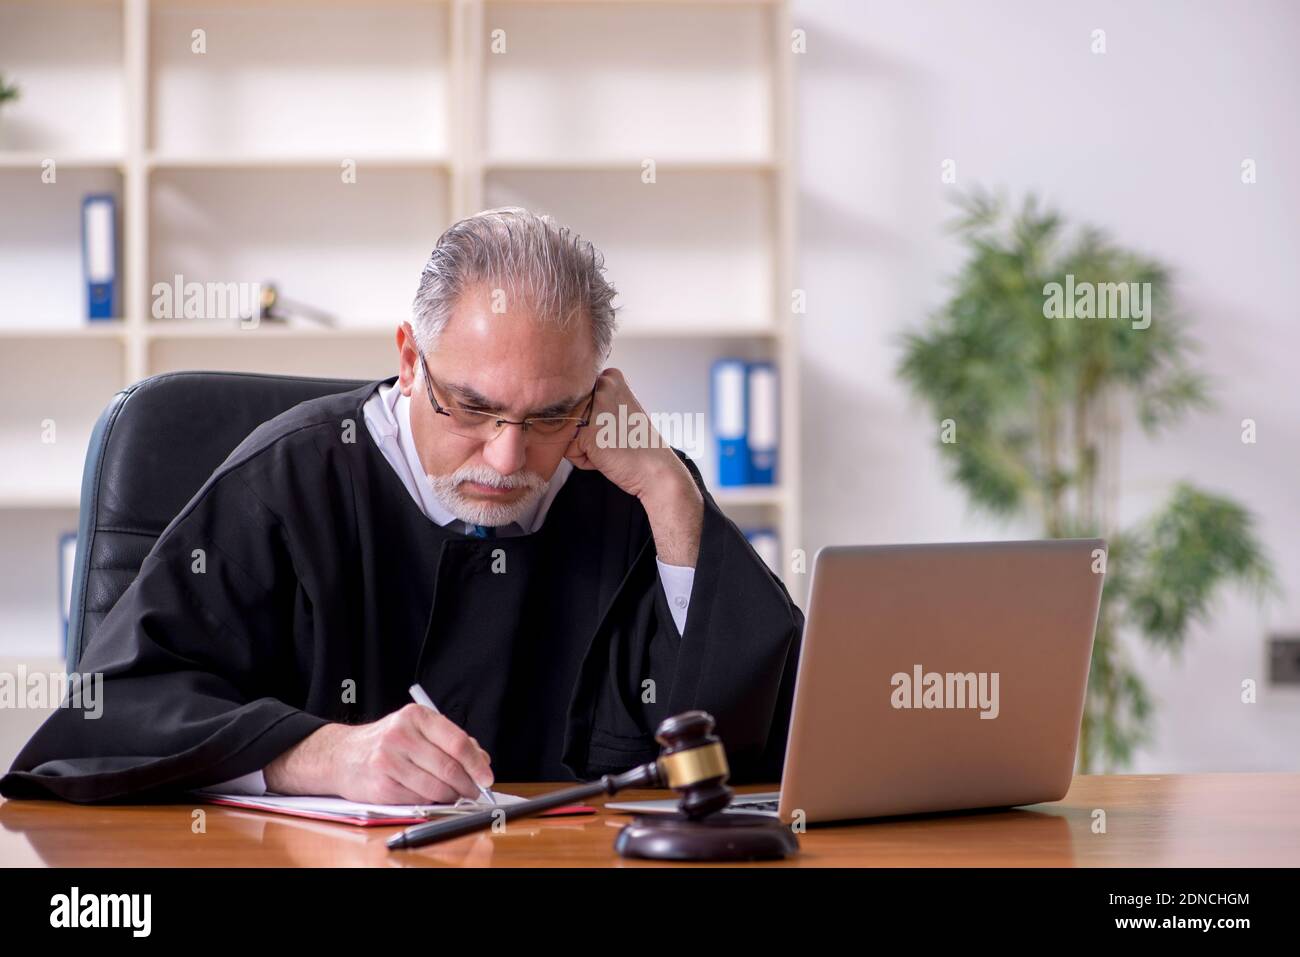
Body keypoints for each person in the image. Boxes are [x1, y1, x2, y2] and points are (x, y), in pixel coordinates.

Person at [0, 207, 804, 806]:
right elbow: (109, 719)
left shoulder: (629, 488)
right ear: (410, 359)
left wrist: (673, 493)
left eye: (550, 415)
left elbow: (761, 739)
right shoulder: (285, 485)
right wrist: (318, 755)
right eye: (472, 407)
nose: (507, 458)